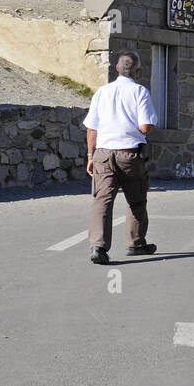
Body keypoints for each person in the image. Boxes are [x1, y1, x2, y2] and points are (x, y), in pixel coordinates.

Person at [84, 51, 160, 265]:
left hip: (103, 153)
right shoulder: (140, 92)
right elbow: (145, 126)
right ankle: (135, 243)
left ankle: (98, 247)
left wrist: (90, 156)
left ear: (116, 68)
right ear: (137, 71)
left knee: (103, 200)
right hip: (129, 153)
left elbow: (92, 129)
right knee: (136, 200)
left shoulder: (102, 92)